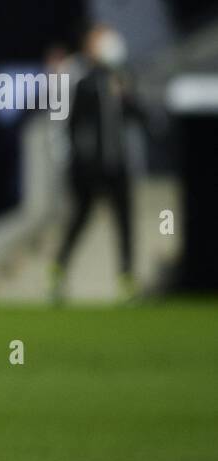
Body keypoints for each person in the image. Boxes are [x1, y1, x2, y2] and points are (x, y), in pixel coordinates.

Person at [51, 23, 148, 301]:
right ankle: (58, 269)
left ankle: (126, 279)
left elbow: (135, 113)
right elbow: (72, 125)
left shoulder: (120, 80)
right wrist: (75, 161)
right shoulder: (85, 81)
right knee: (81, 217)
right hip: (90, 167)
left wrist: (129, 100)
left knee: (125, 222)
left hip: (117, 164)